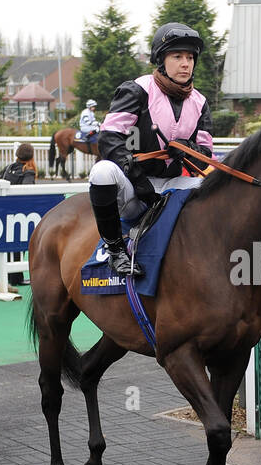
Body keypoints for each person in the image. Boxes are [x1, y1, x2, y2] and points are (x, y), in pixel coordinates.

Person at [91, 22, 214, 278]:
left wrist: (189, 150)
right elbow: (109, 138)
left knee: (217, 190)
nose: (185, 63)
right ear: (161, 59)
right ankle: (115, 249)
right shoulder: (136, 90)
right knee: (101, 172)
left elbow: (205, 155)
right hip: (135, 191)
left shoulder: (200, 103)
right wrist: (136, 177)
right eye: (177, 56)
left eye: (190, 57)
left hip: (172, 188)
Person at [2, 143, 37, 286]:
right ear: (31, 156)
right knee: (19, 243)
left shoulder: (8, 168)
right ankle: (17, 277)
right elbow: (27, 191)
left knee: (10, 244)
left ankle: (11, 276)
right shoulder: (28, 171)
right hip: (21, 213)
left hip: (5, 210)